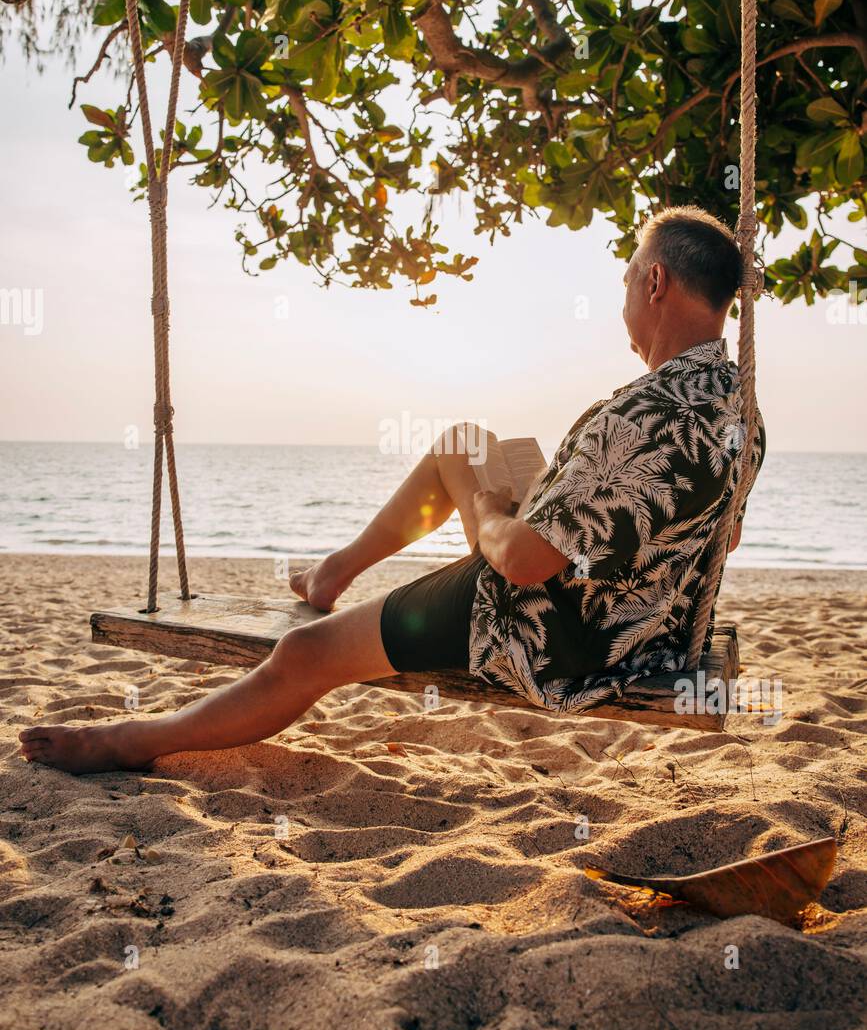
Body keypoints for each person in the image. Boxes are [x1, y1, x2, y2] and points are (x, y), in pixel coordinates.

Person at [20, 205, 764, 774]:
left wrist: (492, 512)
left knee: (304, 654)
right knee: (463, 442)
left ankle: (131, 741)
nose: (624, 296)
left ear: (655, 282)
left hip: (555, 632)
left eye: (628, 278)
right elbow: (717, 536)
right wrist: (548, 493)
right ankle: (334, 571)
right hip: (651, 624)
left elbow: (522, 564)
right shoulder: (741, 410)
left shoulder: (643, 414)